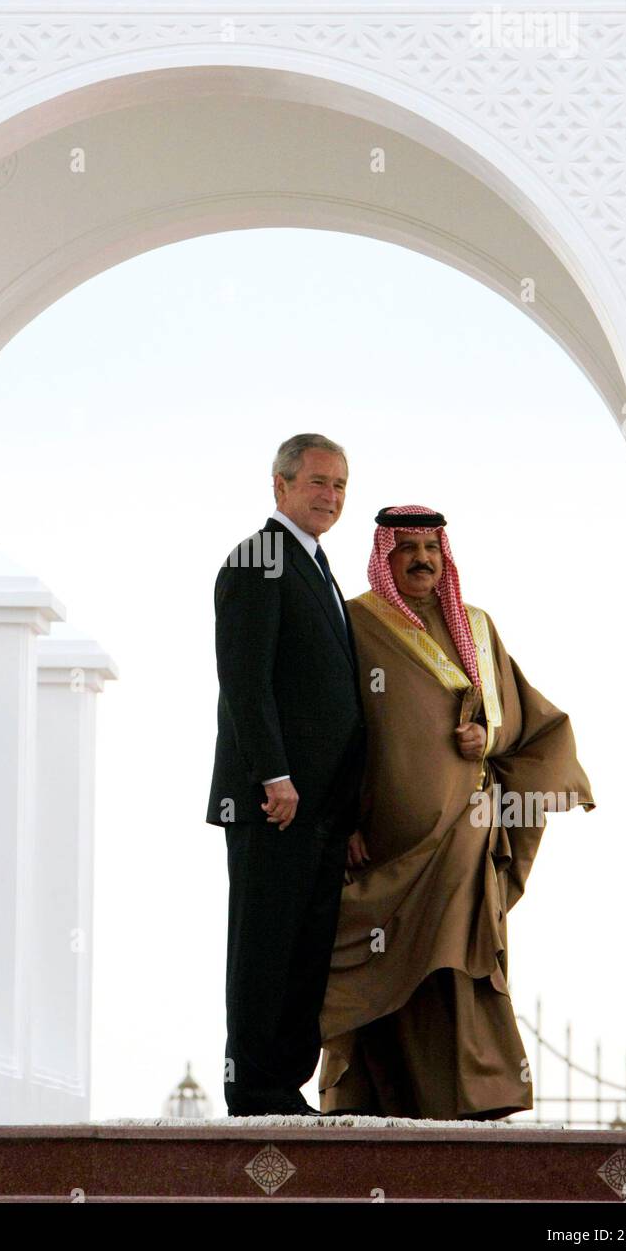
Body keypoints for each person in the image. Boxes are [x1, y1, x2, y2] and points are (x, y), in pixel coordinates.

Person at [318, 504, 595, 1120]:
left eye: (431, 549)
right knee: (384, 966)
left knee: (457, 961)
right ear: (383, 556)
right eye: (406, 548)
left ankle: (474, 1097)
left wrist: (488, 738)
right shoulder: (355, 622)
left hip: (465, 832)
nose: (421, 560)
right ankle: (376, 1100)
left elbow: (525, 718)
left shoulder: (476, 624)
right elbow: (333, 729)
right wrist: (344, 821)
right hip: (384, 840)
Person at [207, 434, 367, 1116]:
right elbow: (245, 682)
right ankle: (253, 1090)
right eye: (316, 483)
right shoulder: (259, 559)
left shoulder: (318, 565)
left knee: (304, 952)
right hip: (275, 801)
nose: (328, 497)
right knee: (263, 947)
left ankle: (285, 1087)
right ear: (280, 486)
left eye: (338, 486)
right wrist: (273, 775)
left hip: (322, 808)